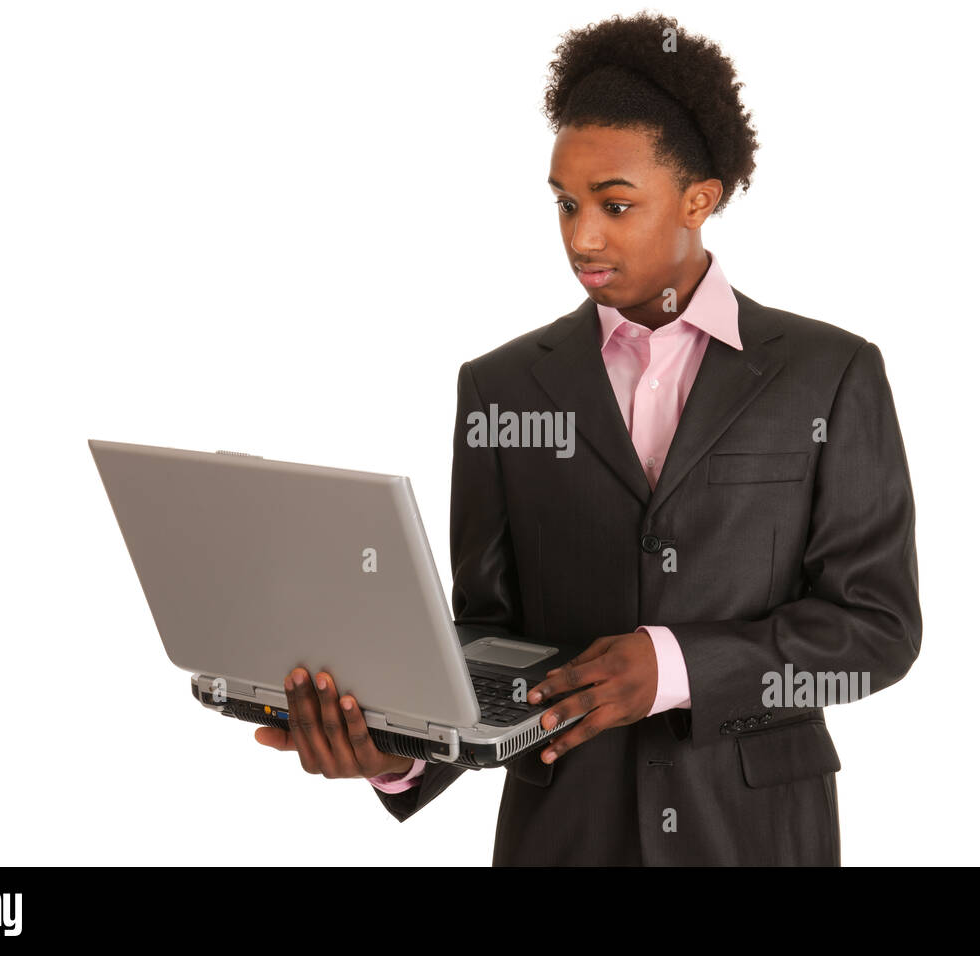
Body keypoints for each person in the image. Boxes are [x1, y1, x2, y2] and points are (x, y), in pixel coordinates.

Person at [254, 11, 921, 866]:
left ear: (700, 199)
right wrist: (394, 755)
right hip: (563, 833)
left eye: (615, 204)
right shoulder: (498, 387)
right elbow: (488, 643)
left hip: (754, 835)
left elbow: (877, 630)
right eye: (565, 204)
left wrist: (676, 666)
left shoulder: (830, 373)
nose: (582, 237)